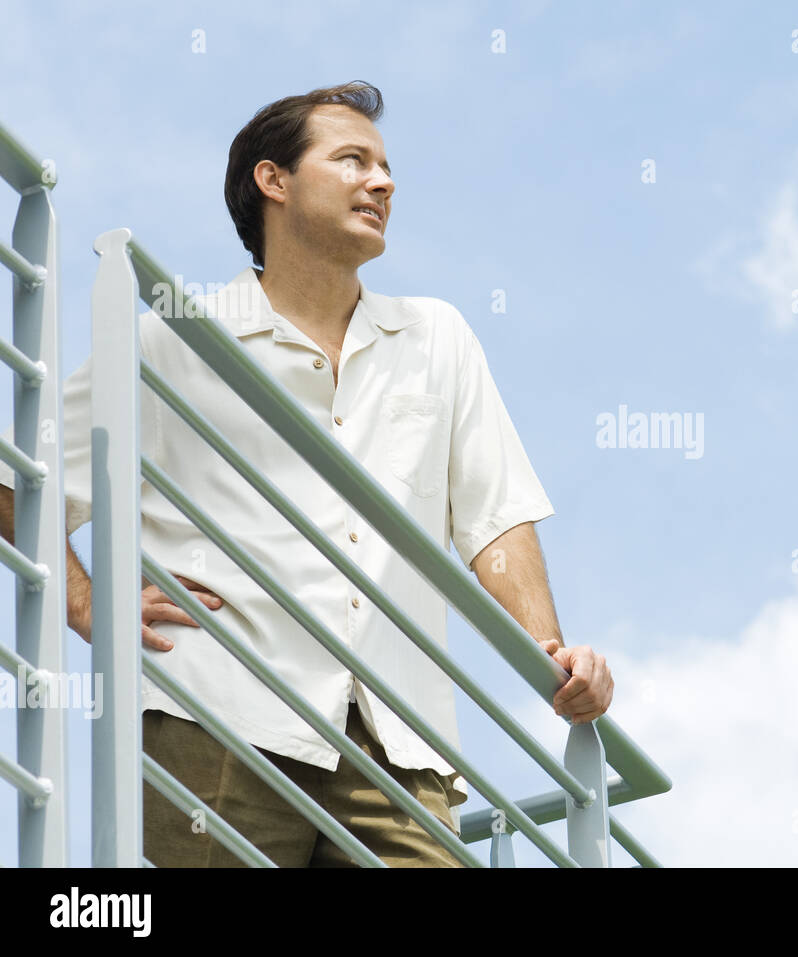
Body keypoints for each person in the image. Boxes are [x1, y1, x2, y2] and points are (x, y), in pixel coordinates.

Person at [0, 80, 613, 867]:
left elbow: (494, 519)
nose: (383, 182)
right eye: (353, 159)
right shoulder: (173, 341)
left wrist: (548, 651)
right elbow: (21, 485)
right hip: (218, 720)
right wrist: (96, 605)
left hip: (402, 746)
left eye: (386, 167)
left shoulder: (438, 338)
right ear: (274, 180)